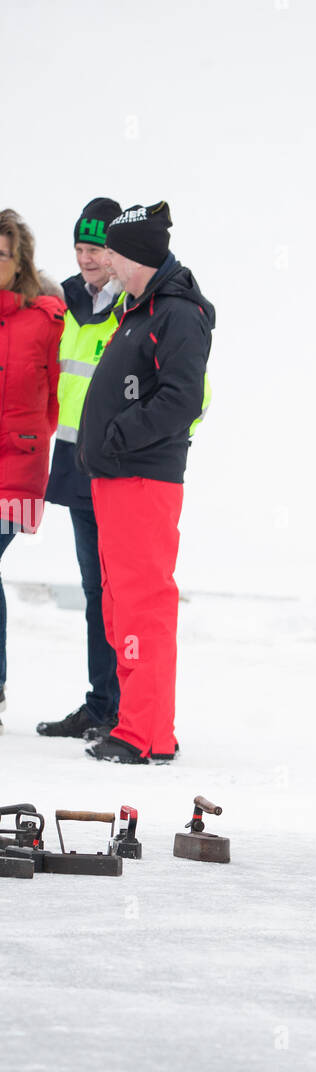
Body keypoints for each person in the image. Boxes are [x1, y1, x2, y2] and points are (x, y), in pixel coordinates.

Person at [76, 201, 215, 764]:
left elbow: (181, 397)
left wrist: (117, 436)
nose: (103, 257)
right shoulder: (141, 306)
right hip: (117, 477)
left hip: (141, 478)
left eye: (111, 249)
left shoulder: (176, 312)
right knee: (119, 602)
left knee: (142, 604)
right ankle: (139, 722)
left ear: (133, 256)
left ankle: (145, 734)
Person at [37, 197, 123, 742]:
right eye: (80, 248)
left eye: (96, 250)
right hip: (74, 466)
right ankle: (102, 703)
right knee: (96, 592)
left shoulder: (136, 303)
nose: (86, 259)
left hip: (119, 471)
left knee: (121, 594)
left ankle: (127, 708)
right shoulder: (64, 301)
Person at [0, 209, 66, 733]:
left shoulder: (45, 318)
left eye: (1, 255)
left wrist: (31, 444)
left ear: (19, 262)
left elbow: (54, 404)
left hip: (16, 467)